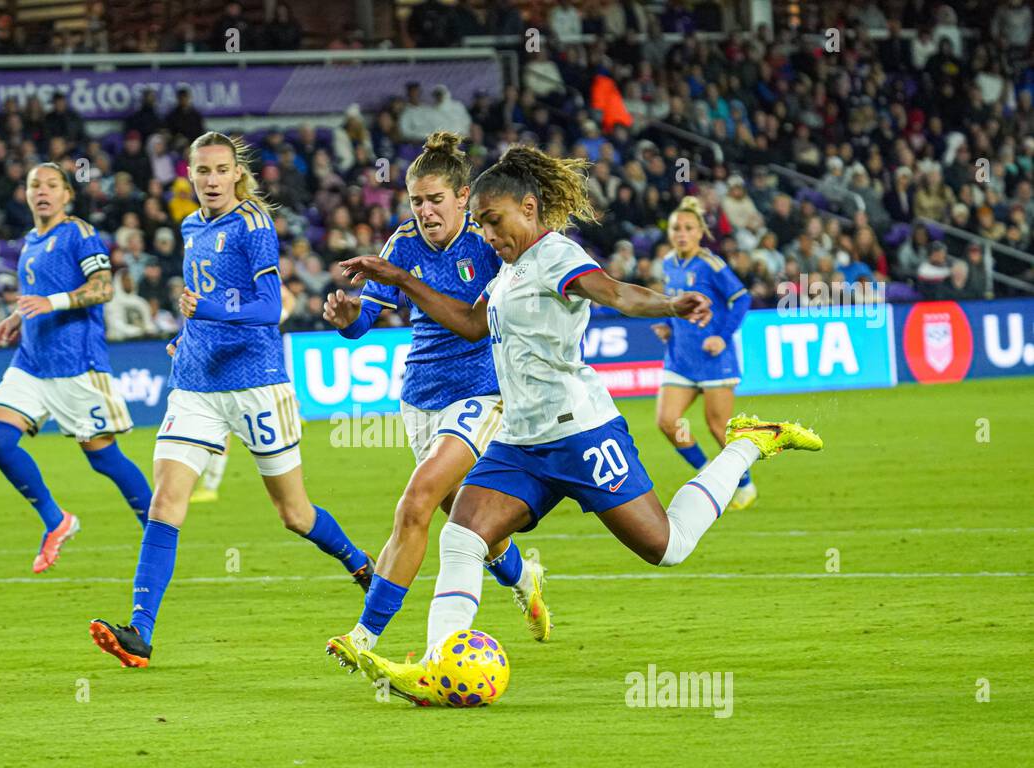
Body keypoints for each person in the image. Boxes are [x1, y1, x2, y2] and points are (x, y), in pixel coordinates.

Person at [337, 146, 823, 703]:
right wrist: (397, 277)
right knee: (464, 534)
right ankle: (436, 667)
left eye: (494, 222)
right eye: (482, 226)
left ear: (528, 207)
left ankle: (749, 443)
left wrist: (670, 306)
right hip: (521, 439)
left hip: (579, 432)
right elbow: (470, 323)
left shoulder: (555, 256)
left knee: (668, 546)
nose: (488, 235)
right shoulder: (510, 268)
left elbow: (615, 293)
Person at [88, 133, 373, 668]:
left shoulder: (254, 226)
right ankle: (140, 632)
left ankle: (361, 565)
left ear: (236, 174)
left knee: (293, 513)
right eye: (202, 171)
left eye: (221, 170)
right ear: (189, 175)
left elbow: (270, 307)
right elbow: (205, 303)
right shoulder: (191, 226)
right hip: (195, 382)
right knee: (165, 503)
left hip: (256, 383)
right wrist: (188, 335)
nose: (212, 180)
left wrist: (209, 313)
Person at [323, 132, 551, 676]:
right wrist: (344, 318)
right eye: (416, 202)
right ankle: (524, 579)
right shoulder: (401, 243)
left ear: (463, 196)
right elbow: (363, 323)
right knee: (465, 520)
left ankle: (363, 635)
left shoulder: (486, 244)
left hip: (480, 392)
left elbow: (474, 328)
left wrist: (401, 280)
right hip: (419, 399)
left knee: (417, 500)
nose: (425, 211)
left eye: (435, 200)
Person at [0, 162, 153, 574]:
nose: (42, 191)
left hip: (76, 365)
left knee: (104, 459)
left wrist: (53, 302)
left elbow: (102, 287)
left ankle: (157, 530)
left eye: (51, 184)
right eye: (33, 184)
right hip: (30, 361)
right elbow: (36, 296)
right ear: (25, 194)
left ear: (66, 195)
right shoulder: (29, 241)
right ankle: (55, 520)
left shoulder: (78, 233)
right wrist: (18, 318)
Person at [651, 196, 757, 511]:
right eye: (675, 228)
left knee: (718, 426)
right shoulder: (668, 263)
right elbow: (674, 303)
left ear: (699, 233)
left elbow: (742, 299)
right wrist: (668, 326)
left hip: (714, 361)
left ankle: (745, 483)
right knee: (668, 422)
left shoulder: (712, 264)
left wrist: (723, 338)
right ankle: (708, 472)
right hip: (680, 358)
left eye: (688, 228)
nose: (681, 233)